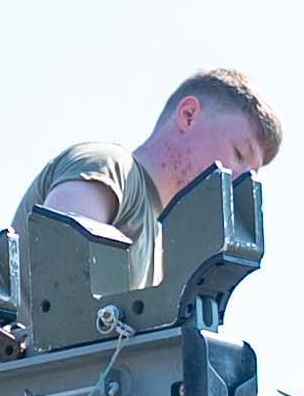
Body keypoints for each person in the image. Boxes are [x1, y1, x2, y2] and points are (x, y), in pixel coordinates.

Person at [15, 65, 281, 292]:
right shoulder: (110, 167)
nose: (238, 181)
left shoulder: (161, 244)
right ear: (188, 116)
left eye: (250, 174)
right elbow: (59, 269)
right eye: (239, 152)